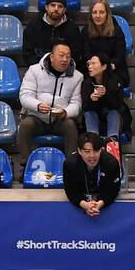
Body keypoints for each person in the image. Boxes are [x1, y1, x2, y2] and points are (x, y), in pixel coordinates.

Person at [16, 43, 83, 181]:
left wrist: (65, 112)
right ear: (51, 57)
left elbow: (77, 104)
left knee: (71, 126)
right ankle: (27, 167)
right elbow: (24, 96)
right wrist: (38, 105)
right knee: (25, 125)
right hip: (37, 117)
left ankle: (71, 168)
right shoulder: (34, 70)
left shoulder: (77, 77)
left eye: (68, 56)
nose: (65, 59)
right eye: (61, 55)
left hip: (60, 120)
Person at [64, 133, 121, 217]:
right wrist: (84, 205)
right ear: (79, 151)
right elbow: (70, 190)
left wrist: (100, 203)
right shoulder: (70, 164)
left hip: (101, 194)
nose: (92, 156)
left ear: (101, 149)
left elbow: (113, 189)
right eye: (87, 151)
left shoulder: (111, 163)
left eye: (96, 151)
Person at [23, 0, 85, 64]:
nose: (56, 9)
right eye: (53, 5)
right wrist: (42, 67)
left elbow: (75, 56)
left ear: (64, 10)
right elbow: (27, 54)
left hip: (63, 68)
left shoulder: (72, 29)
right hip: (38, 68)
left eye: (60, 6)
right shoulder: (33, 26)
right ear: (46, 7)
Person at [81, 0, 129, 92]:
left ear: (107, 14)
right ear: (91, 15)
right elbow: (86, 55)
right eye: (94, 12)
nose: (98, 16)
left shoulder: (117, 31)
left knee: (111, 84)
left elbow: (120, 56)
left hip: (114, 70)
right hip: (92, 70)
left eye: (101, 12)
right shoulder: (85, 31)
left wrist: (105, 68)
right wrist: (96, 68)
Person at [80, 50, 128, 143]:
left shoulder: (116, 81)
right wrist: (91, 99)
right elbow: (84, 107)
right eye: (89, 64)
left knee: (113, 113)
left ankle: (112, 140)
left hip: (112, 120)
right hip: (94, 120)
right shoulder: (87, 83)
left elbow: (118, 105)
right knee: (89, 113)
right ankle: (93, 139)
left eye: (93, 64)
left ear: (104, 66)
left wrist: (106, 94)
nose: (90, 67)